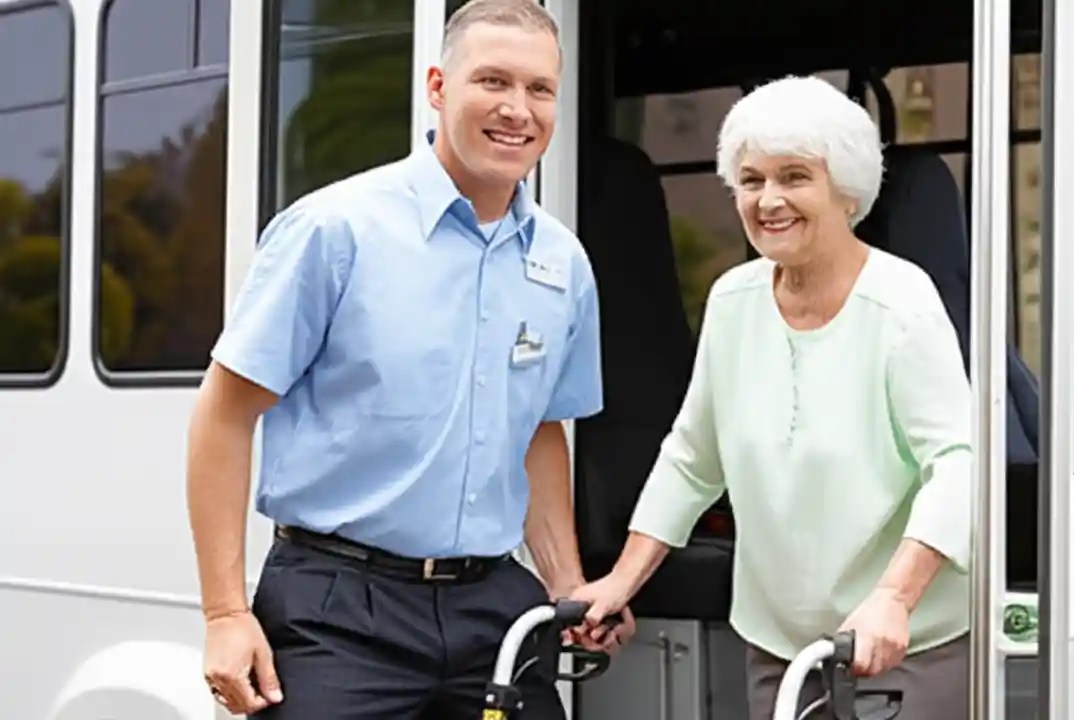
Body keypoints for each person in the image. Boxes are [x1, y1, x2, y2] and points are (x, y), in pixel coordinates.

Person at [185, 1, 634, 717]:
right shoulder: (334, 230)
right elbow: (224, 413)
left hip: (494, 607)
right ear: (437, 87)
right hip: (337, 609)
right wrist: (224, 614)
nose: (517, 109)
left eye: (539, 89)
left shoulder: (562, 262)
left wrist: (565, 588)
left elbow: (540, 433)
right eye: (492, 81)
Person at [569, 75, 973, 720]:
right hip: (775, 647)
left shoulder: (901, 302)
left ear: (847, 190)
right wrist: (621, 581)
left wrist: (895, 597)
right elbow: (692, 457)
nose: (768, 200)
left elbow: (957, 464)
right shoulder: (733, 301)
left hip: (900, 648)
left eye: (794, 177)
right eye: (751, 180)